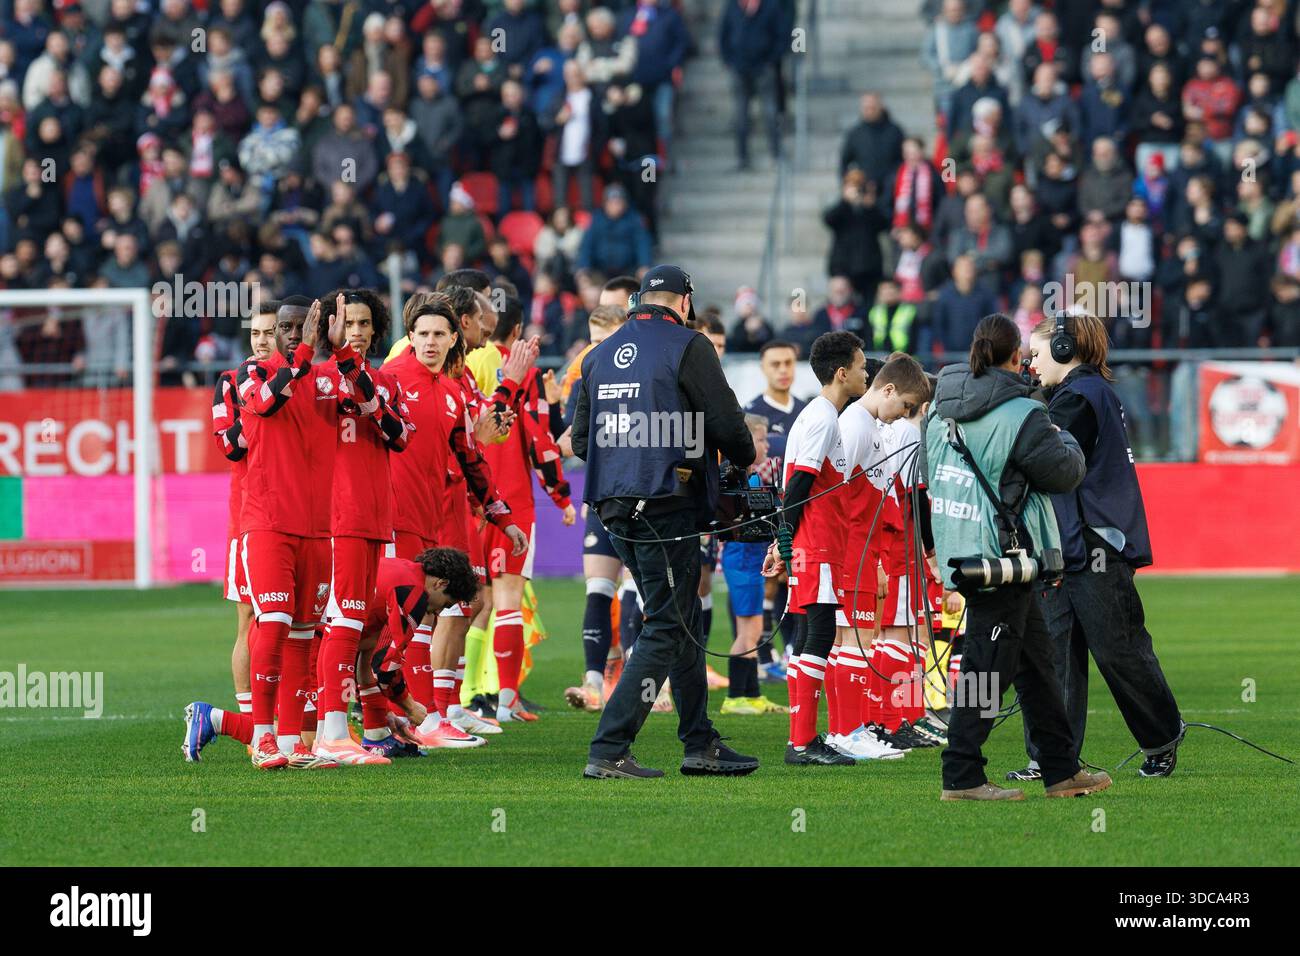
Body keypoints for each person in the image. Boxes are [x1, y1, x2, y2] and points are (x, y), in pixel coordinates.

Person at [573, 264, 758, 779]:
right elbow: (726, 422)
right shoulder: (687, 345)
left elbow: (583, 438)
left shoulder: (599, 353)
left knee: (679, 621)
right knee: (667, 625)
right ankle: (609, 747)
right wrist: (738, 458)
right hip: (665, 505)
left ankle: (700, 742)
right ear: (685, 301)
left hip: (614, 506)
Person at [923, 312, 1112, 801]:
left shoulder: (939, 408)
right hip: (1006, 554)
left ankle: (1060, 769)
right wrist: (1061, 431)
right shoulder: (1023, 413)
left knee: (1036, 665)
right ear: (1015, 358)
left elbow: (930, 472)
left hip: (961, 544)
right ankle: (961, 774)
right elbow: (1066, 473)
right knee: (988, 667)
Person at [1010, 312, 1185, 779]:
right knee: (1055, 656)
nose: (1031, 362)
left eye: (1036, 352)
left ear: (1065, 350)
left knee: (1118, 650)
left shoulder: (1080, 398)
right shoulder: (1078, 394)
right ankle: (1051, 757)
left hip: (1090, 544)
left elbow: (1045, 458)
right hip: (1066, 545)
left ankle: (1163, 737)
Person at [184, 548, 477, 763]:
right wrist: (413, 709)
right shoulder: (413, 593)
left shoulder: (398, 572)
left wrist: (382, 717)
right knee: (305, 744)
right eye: (445, 603)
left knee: (302, 742)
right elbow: (384, 667)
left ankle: (216, 720)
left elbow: (366, 664)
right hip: (305, 643)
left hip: (292, 634)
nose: (437, 612)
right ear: (440, 584)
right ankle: (215, 718)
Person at [760, 331, 867, 766]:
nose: (865, 373)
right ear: (842, 373)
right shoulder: (823, 417)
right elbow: (799, 485)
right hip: (817, 543)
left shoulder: (819, 415)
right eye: (861, 366)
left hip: (816, 541)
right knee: (818, 633)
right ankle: (801, 742)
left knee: (809, 634)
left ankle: (801, 738)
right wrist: (786, 543)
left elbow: (799, 486)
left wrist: (782, 541)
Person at [211, 300, 277, 726]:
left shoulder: (303, 381)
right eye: (255, 334)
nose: (261, 341)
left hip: (302, 517)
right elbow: (231, 445)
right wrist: (262, 405)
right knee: (250, 618)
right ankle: (253, 723)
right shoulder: (231, 382)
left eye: (269, 333)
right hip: (250, 518)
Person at [718, 415, 786, 716]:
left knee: (755, 629)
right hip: (743, 558)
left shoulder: (752, 475)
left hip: (751, 557)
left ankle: (752, 694)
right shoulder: (734, 477)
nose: (766, 444)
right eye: (760, 439)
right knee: (748, 631)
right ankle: (736, 697)